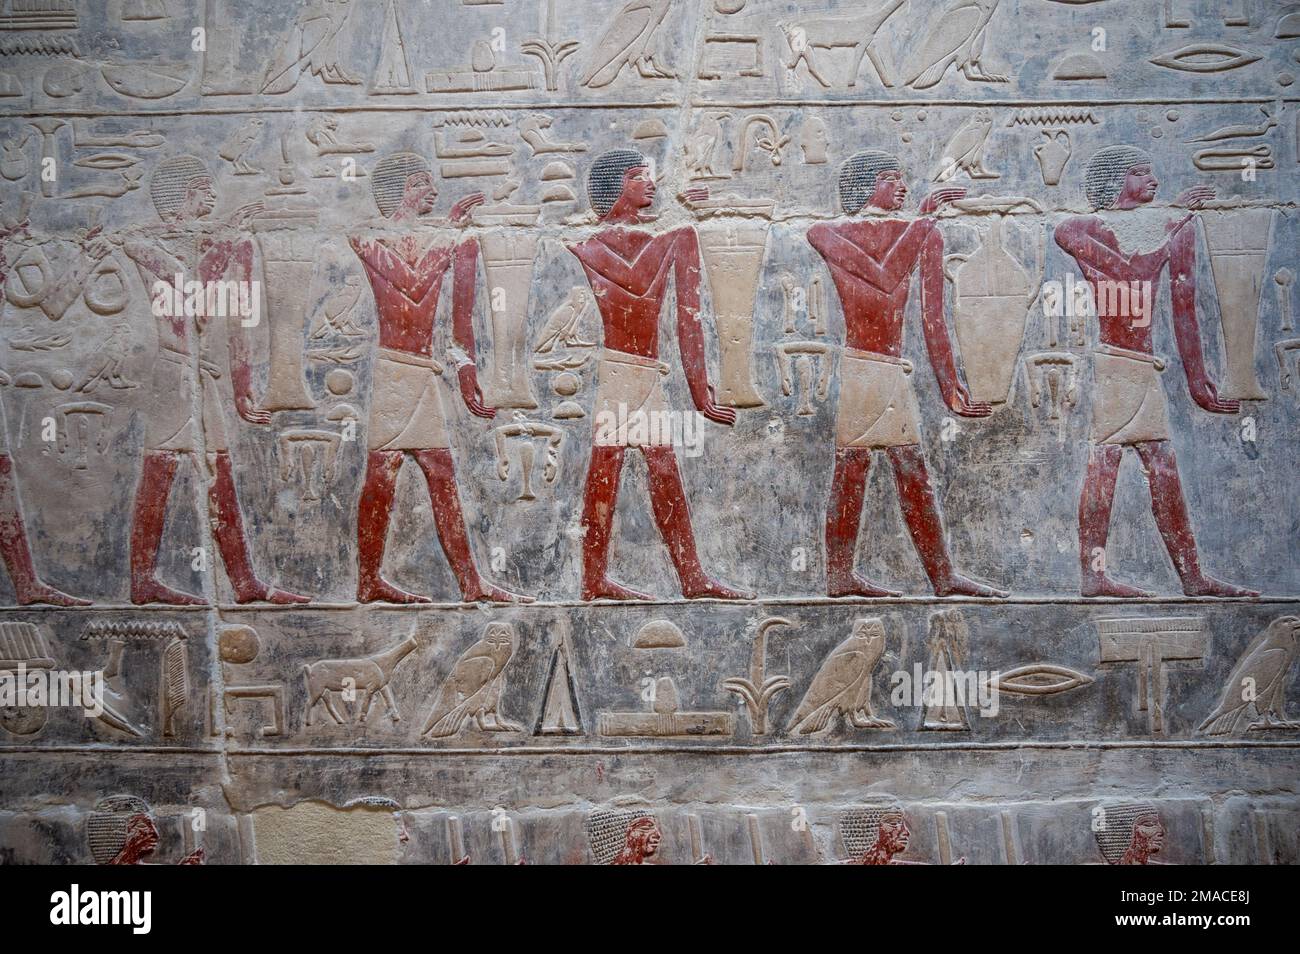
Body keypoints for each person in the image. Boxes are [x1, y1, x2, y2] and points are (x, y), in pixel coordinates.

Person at [1055, 146, 1255, 598]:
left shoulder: (1175, 228)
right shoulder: (1084, 228)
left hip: (1142, 365)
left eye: (1152, 170)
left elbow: (1184, 308)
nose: (1152, 179)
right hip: (1116, 363)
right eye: (1139, 172)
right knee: (1114, 463)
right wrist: (1170, 219)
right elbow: (1128, 268)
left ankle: (1185, 577)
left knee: (1143, 466)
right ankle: (1102, 575)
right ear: (1113, 179)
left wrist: (1197, 378)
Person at [808, 150, 1006, 599]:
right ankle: (846, 575)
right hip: (862, 366)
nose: (901, 185)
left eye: (902, 177)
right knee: (858, 469)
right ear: (866, 184)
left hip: (891, 372)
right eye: (889, 178)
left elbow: (932, 318)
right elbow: (882, 274)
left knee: (902, 470)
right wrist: (921, 223)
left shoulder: (923, 236)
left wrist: (951, 387)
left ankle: (939, 576)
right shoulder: (828, 232)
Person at [122, 156, 307, 605]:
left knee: (218, 473)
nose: (212, 193)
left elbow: (242, 315)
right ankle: (143, 580)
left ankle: (243, 582)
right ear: (181, 192)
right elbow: (195, 302)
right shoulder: (142, 241)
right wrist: (226, 242)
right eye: (203, 185)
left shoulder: (214, 241)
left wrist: (243, 385)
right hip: (173, 373)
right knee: (161, 471)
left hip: (201, 378)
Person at [565, 149, 747, 601]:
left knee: (635, 469)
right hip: (624, 371)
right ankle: (614, 578)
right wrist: (698, 390)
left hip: (636, 372)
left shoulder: (618, 241)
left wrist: (700, 389)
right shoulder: (670, 237)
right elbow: (687, 318)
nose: (649, 181)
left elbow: (690, 319)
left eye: (648, 174)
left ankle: (675, 576)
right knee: (620, 469)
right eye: (636, 175)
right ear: (614, 187)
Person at [350, 153, 526, 603]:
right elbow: (410, 283)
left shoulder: (448, 239)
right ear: (401, 190)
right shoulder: (368, 235)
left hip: (423, 372)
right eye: (420, 182)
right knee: (382, 476)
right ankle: (369, 580)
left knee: (439, 471)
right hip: (395, 371)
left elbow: (460, 316)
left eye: (430, 181)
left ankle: (470, 583)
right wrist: (449, 231)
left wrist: (466, 371)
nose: (431, 188)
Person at [0, 200, 103, 605]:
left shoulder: (16, 255)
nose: (24, 217)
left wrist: (85, 257)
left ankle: (25, 583)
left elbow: (53, 305)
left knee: (3, 476)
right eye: (15, 209)